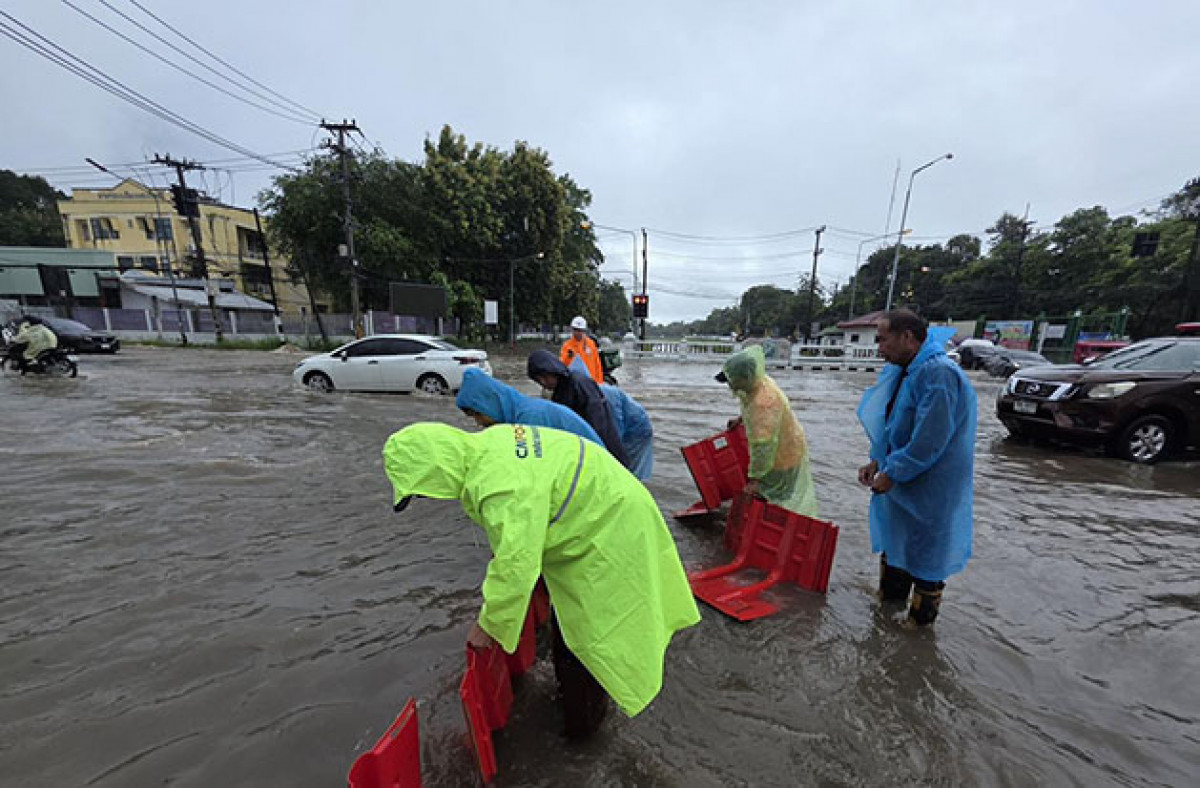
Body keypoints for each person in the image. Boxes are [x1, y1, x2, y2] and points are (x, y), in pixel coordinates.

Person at [383, 422, 700, 737]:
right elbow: (520, 536)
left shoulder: (499, 487)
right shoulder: (488, 446)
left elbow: (516, 564)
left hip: (608, 528)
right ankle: (581, 707)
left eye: (423, 489)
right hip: (608, 505)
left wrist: (488, 626)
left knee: (587, 638)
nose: (430, 497)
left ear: (435, 470)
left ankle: (583, 733)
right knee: (570, 625)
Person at [856, 309, 977, 628]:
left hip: (931, 485)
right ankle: (887, 613)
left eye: (883, 340)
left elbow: (930, 439)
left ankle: (917, 631)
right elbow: (900, 425)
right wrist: (878, 461)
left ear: (907, 337)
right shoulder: (910, 370)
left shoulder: (938, 373)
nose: (879, 348)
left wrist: (893, 472)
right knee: (898, 545)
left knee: (926, 558)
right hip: (904, 479)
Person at [716, 344, 819, 518]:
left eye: (731, 380)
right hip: (787, 443)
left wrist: (755, 480)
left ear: (744, 377)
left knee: (776, 500)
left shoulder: (763, 402)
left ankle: (774, 531)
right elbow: (753, 410)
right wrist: (740, 419)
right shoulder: (759, 382)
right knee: (772, 499)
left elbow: (763, 448)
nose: (730, 384)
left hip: (784, 455)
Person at [527, 349, 630, 468]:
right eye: (539, 381)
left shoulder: (579, 384)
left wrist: (599, 454)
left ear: (552, 370)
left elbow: (598, 423)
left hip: (604, 451)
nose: (543, 383)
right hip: (585, 452)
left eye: (544, 378)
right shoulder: (559, 393)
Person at [456, 366, 602, 445]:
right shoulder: (521, 411)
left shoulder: (529, 420)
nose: (479, 422)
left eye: (477, 414)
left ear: (488, 403)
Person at [567, 356, 654, 481]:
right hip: (625, 425)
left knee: (630, 473)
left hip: (636, 432)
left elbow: (614, 430)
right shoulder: (583, 397)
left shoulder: (606, 395)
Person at [559, 316, 603, 384]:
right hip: (575, 383)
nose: (577, 332)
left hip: (591, 382)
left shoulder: (591, 344)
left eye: (580, 330)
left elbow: (597, 364)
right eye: (575, 329)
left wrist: (599, 382)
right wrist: (569, 356)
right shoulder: (567, 346)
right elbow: (562, 365)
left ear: (584, 330)